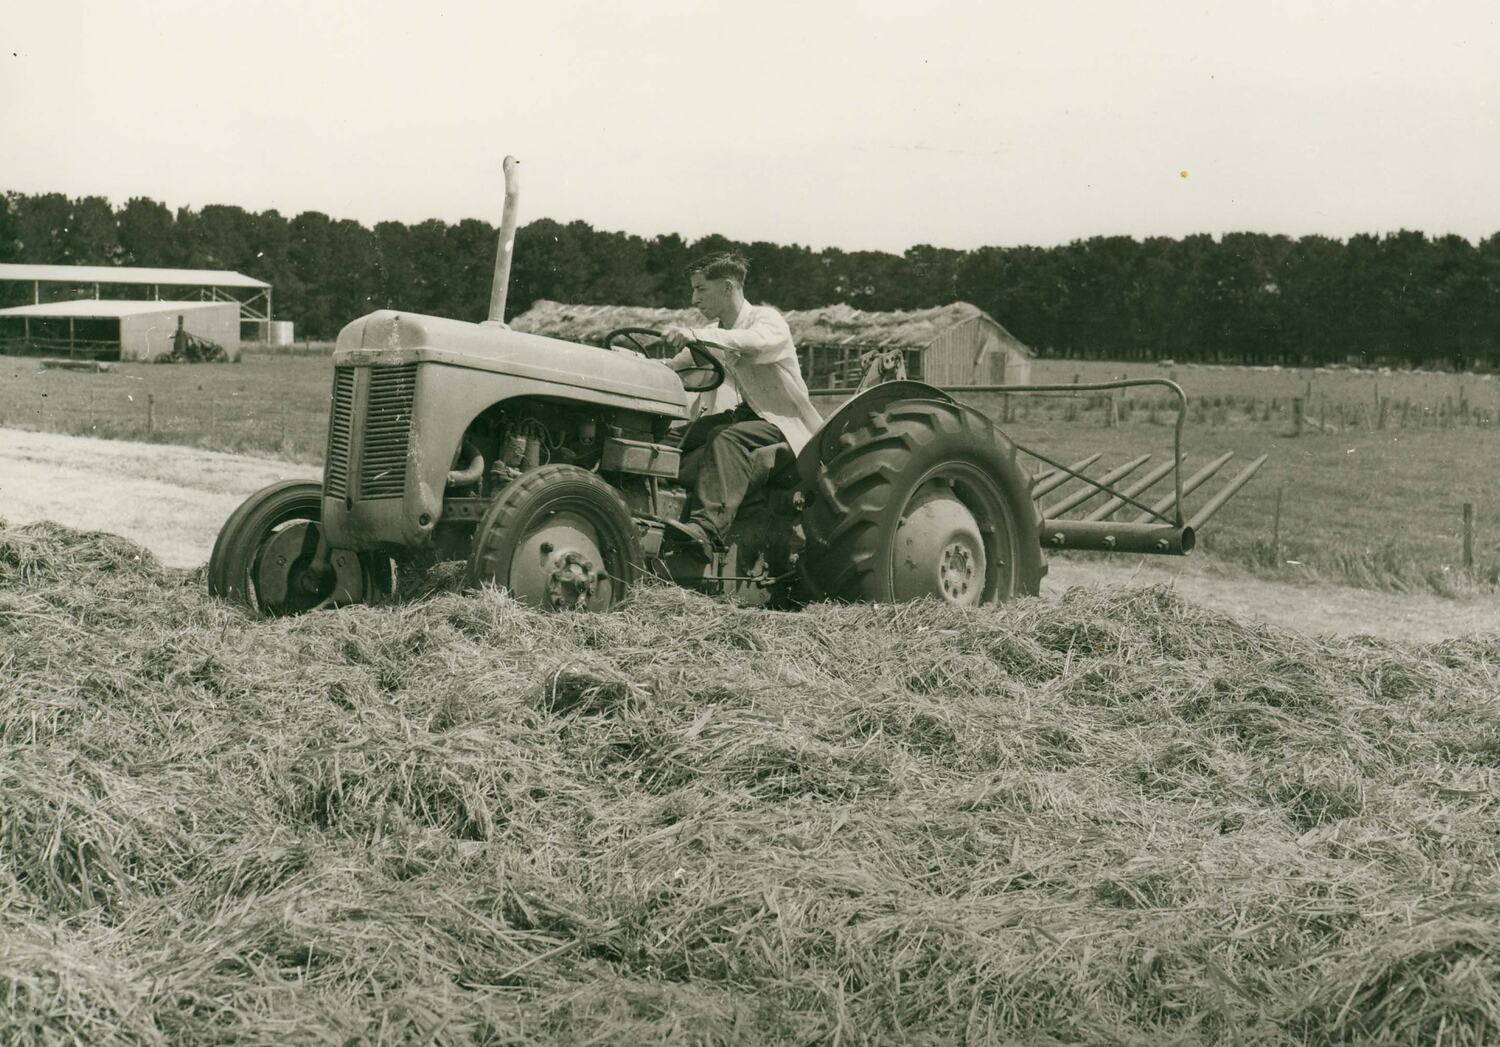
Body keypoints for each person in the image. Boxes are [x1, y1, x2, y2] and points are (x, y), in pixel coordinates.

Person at [661, 251, 823, 553]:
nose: (694, 299)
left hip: (782, 420)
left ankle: (707, 528)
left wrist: (695, 334)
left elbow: (754, 343)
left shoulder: (766, 320)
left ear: (727, 287)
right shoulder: (715, 333)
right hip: (746, 415)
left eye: (701, 289)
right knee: (670, 437)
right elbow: (676, 366)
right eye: (693, 290)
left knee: (724, 439)